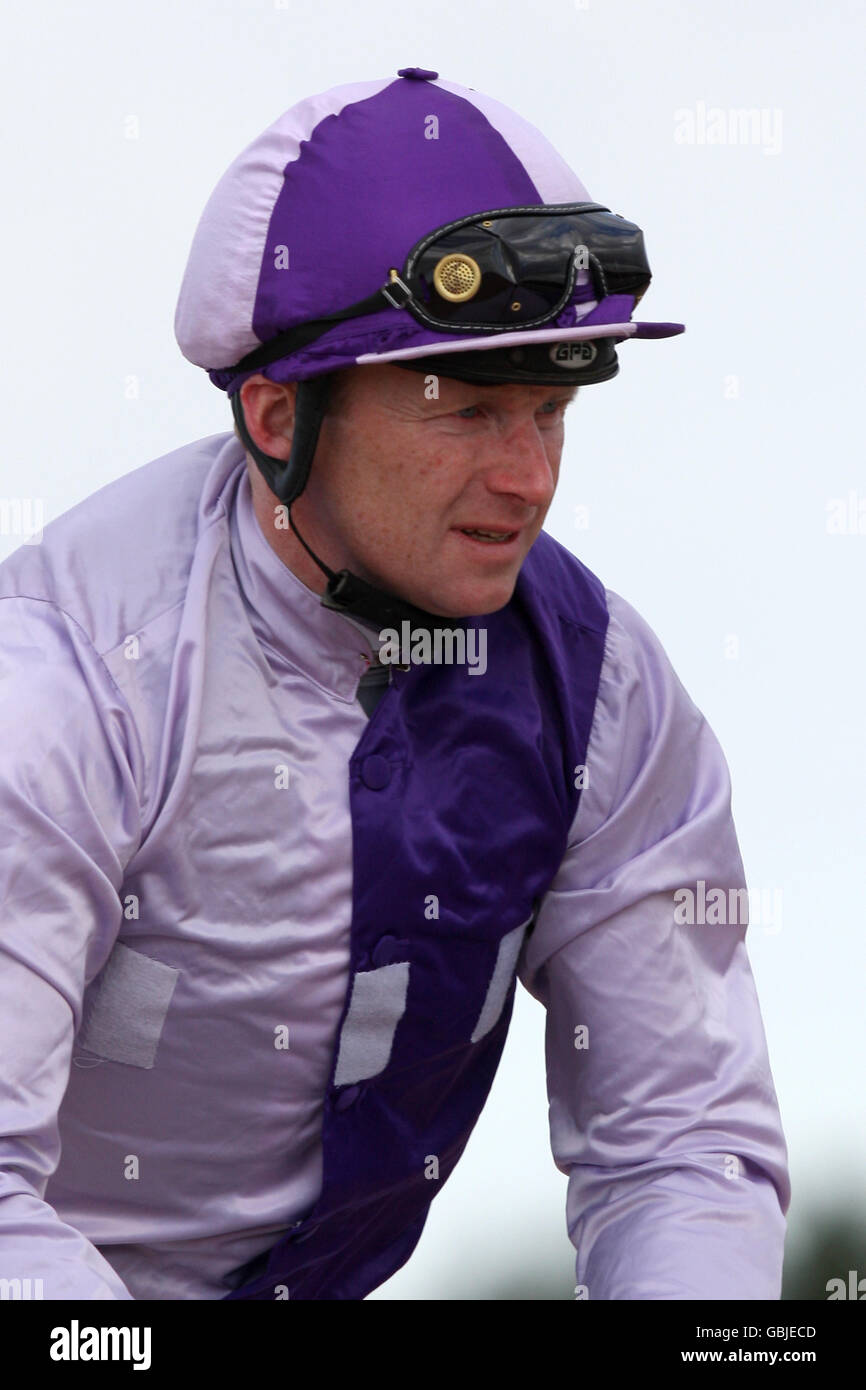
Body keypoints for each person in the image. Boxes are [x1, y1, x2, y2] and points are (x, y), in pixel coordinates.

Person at [0, 67, 789, 1302]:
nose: (528, 479)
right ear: (276, 415)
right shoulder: (61, 688)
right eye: (468, 413)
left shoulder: (607, 692)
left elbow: (680, 1149)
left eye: (549, 411)